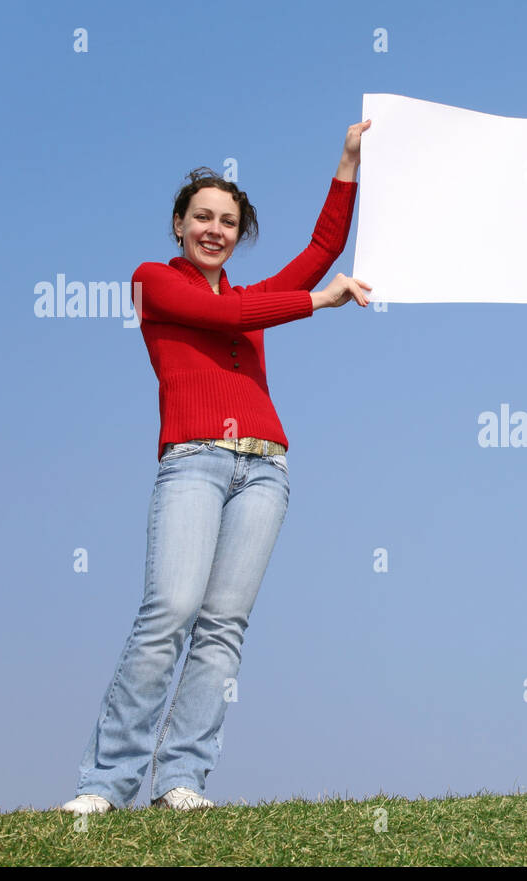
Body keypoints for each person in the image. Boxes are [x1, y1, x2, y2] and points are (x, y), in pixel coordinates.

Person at [61, 121, 373, 813]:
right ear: (178, 225)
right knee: (169, 610)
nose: (215, 229)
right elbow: (221, 318)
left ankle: (180, 780)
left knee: (224, 627)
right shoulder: (152, 282)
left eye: (229, 221)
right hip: (194, 463)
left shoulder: (247, 301)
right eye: (202, 216)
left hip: (266, 471)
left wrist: (348, 160)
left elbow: (323, 249)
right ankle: (104, 785)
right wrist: (313, 303)